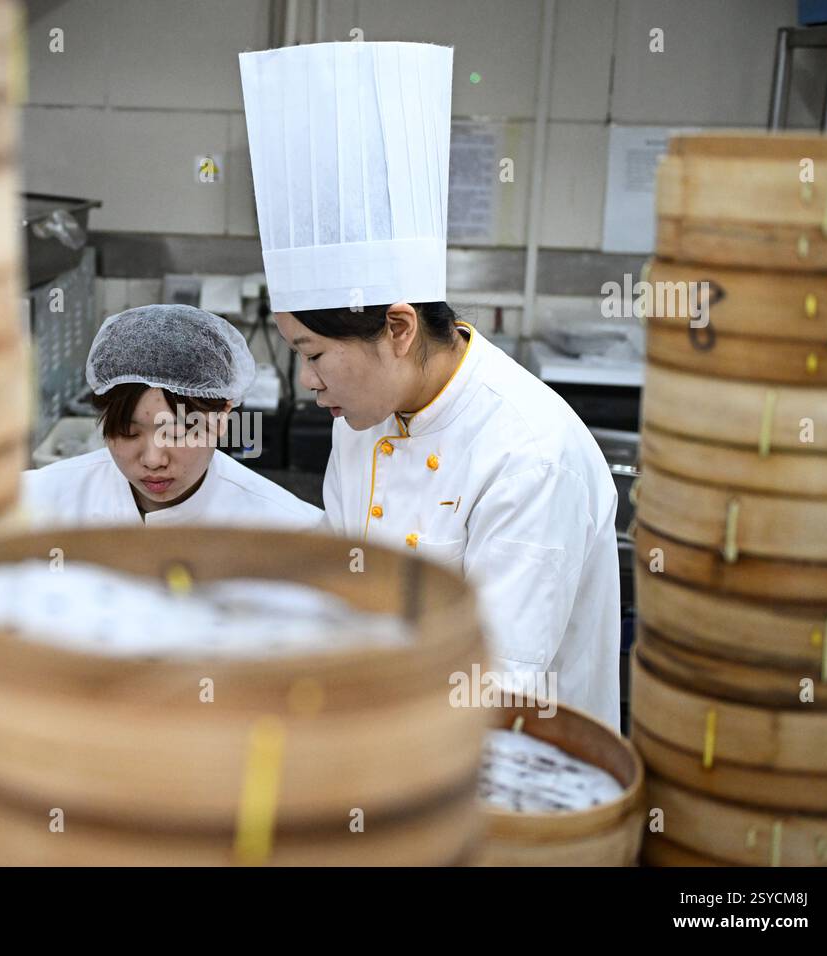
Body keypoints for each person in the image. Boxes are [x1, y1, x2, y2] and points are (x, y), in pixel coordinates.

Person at [239, 41, 621, 728]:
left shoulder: (528, 454)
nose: (307, 380)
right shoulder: (365, 414)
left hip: (509, 784)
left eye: (314, 353)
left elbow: (495, 685)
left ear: (398, 328)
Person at [22, 304, 321, 530]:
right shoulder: (35, 502)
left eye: (178, 433)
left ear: (223, 415)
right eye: (128, 431)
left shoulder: (287, 529)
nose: (153, 460)